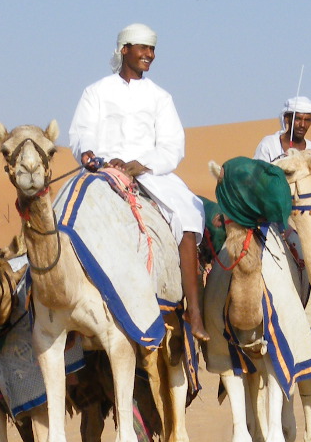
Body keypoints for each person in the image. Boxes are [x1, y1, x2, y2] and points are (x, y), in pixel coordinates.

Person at [67, 23, 209, 340]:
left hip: (151, 174)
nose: (149, 55)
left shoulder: (160, 97)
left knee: (186, 219)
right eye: (143, 48)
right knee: (64, 221)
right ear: (124, 49)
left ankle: (194, 312)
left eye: (153, 49)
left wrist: (143, 165)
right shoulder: (97, 92)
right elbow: (81, 134)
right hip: (103, 171)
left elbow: (173, 146)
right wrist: (90, 154)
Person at [253, 96, 311, 163]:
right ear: (287, 118)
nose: (302, 125)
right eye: (298, 119)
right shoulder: (269, 145)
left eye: (307, 120)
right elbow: (257, 173)